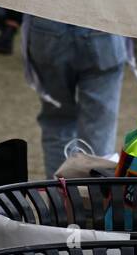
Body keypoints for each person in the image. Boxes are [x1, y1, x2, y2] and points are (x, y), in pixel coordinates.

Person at [24, 15, 131, 177]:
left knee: (57, 121)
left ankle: (58, 194)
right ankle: (94, 195)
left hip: (47, 22)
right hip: (101, 20)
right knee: (98, 124)